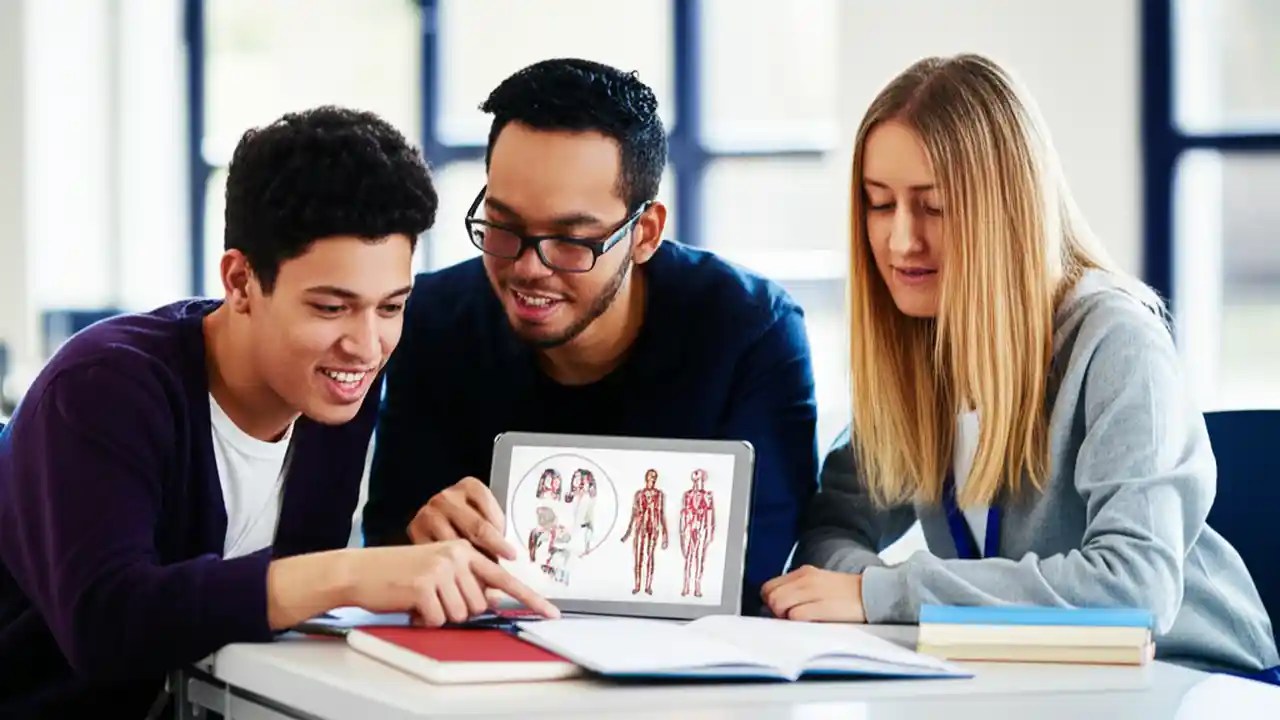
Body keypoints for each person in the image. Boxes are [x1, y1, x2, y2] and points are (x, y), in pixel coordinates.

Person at [0, 106, 556, 717]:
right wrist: (347, 575)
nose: (367, 346)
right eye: (330, 308)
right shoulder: (104, 385)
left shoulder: (332, 389)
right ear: (240, 281)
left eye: (391, 307)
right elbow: (107, 624)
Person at [762, 54, 1279, 680]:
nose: (901, 241)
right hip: (1035, 676)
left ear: (1004, 210)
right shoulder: (922, 350)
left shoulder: (1118, 345)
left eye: (935, 206)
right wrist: (863, 587)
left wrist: (883, 593)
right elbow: (832, 531)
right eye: (879, 204)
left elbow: (1133, 590)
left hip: (1193, 679)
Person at [364, 58, 819, 613]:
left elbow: (757, 576)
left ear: (644, 234)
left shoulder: (750, 332)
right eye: (503, 227)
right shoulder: (432, 319)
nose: (529, 268)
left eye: (571, 240)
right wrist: (418, 537)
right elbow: (388, 540)